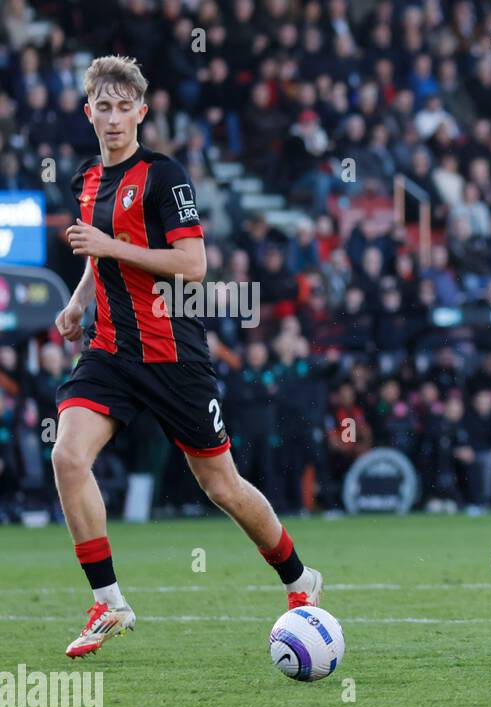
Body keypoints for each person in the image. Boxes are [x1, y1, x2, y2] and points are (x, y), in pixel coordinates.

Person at [51, 56, 322, 658]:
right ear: (88, 111)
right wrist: (78, 303)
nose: (115, 118)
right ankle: (110, 602)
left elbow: (193, 266)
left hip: (174, 355)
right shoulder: (86, 179)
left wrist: (105, 247)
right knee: (68, 456)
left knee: (221, 484)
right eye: (104, 106)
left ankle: (300, 580)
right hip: (110, 352)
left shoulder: (165, 176)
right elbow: (101, 258)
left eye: (126, 107)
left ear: (142, 113)